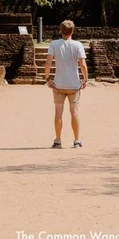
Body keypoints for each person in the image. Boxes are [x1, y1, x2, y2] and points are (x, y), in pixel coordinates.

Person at [44, 20, 88, 148]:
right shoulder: (77, 45)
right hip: (74, 85)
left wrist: (47, 79)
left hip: (59, 84)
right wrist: (85, 80)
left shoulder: (54, 44)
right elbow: (83, 64)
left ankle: (58, 140)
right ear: (72, 31)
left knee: (58, 112)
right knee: (74, 112)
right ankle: (77, 140)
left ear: (60, 30)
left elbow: (48, 63)